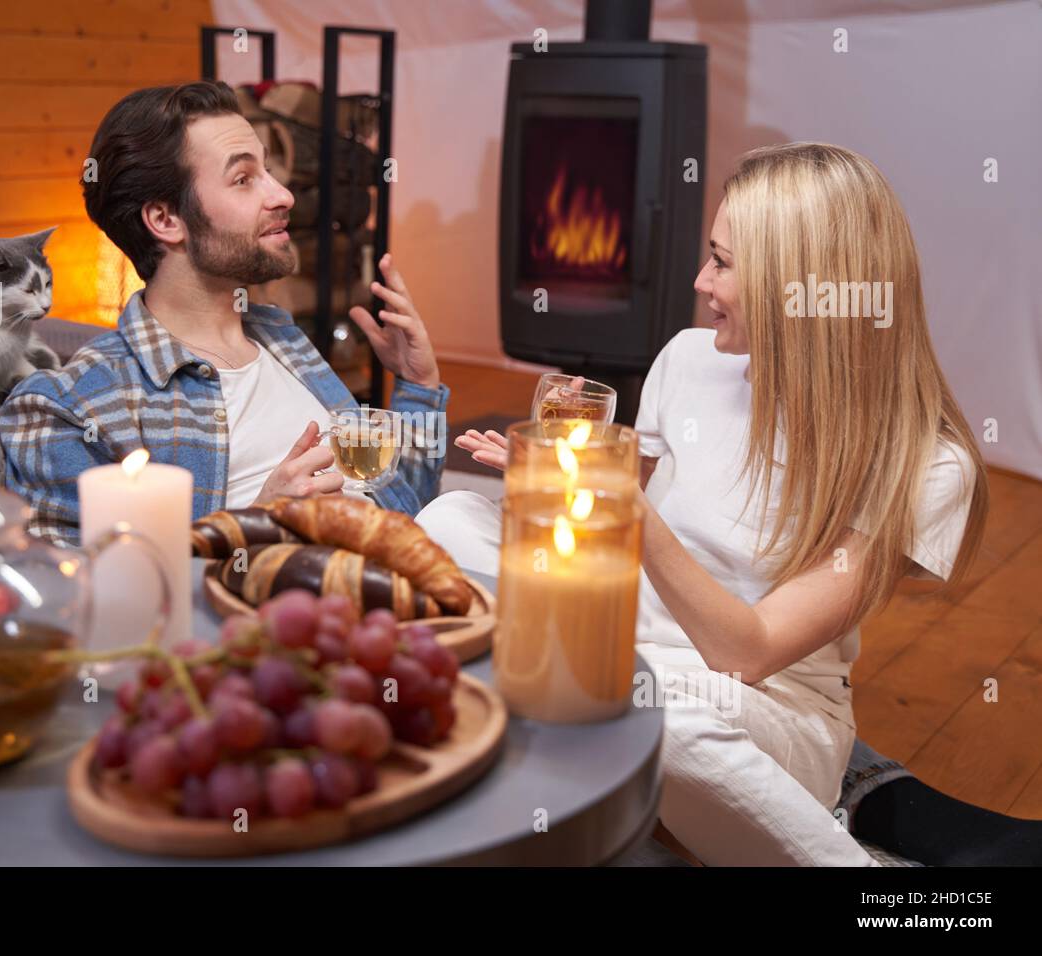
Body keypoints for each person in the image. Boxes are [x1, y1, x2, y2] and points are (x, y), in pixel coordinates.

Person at [418, 143, 994, 866]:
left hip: (765, 707)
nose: (699, 281)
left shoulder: (926, 464)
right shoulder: (691, 358)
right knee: (446, 521)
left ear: (797, 285)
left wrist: (629, 507)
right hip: (617, 638)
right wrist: (568, 490)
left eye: (722, 261)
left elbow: (747, 654)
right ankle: (566, 704)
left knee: (653, 705)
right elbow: (612, 545)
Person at [0, 81, 448, 548]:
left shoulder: (282, 340)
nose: (283, 196)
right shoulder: (70, 406)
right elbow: (83, 592)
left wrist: (419, 386)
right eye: (243, 179)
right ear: (166, 220)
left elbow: (408, 504)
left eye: (269, 171)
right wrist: (253, 525)